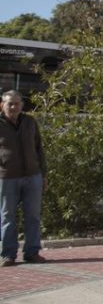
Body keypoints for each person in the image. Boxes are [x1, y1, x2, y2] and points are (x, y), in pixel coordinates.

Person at [1, 90, 48, 266]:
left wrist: (43, 174)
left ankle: (32, 252)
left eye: (17, 103)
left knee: (33, 216)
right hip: (7, 178)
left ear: (22, 105)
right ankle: (8, 255)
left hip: (32, 176)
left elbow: (39, 148)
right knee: (7, 217)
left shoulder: (30, 122)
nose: (13, 107)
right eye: (10, 104)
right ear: (2, 105)